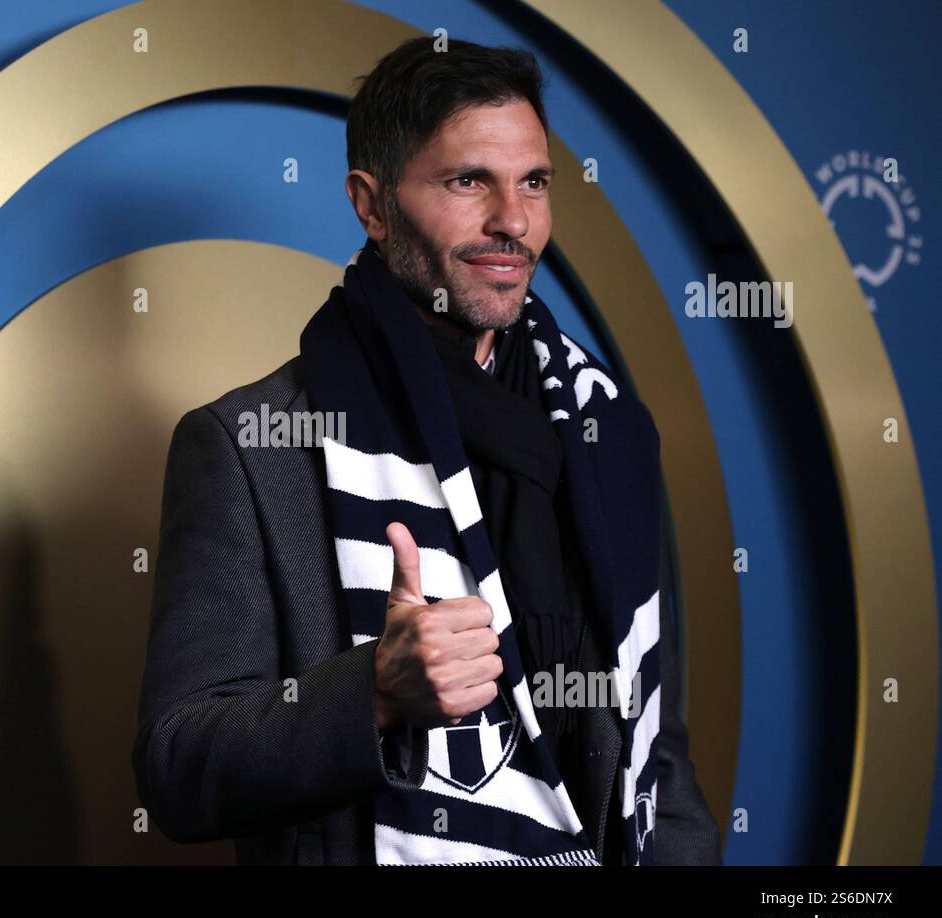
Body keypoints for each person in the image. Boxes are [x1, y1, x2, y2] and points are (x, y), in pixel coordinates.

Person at [133, 37, 720, 865]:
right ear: (371, 206)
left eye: (534, 183)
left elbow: (653, 749)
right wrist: (373, 692)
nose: (513, 221)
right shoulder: (250, 448)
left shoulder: (608, 429)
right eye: (467, 180)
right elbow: (176, 766)